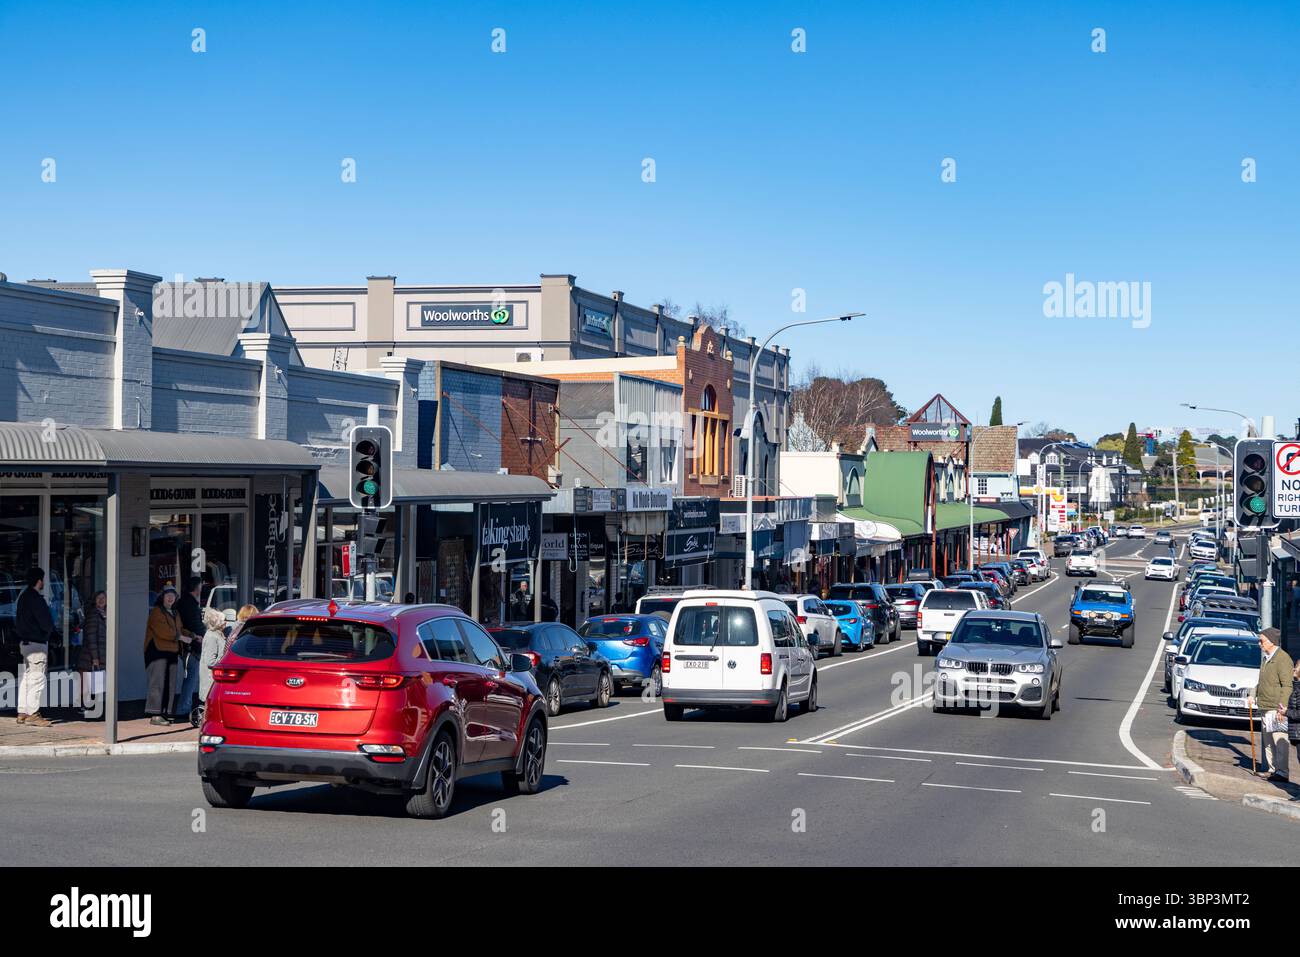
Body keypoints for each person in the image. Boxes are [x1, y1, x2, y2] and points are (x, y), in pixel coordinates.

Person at [14, 567, 55, 727]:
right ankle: (33, 714)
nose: (44, 582)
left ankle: (22, 712)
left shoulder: (23, 597)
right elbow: (46, 623)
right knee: (37, 678)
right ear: (39, 581)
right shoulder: (35, 599)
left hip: (25, 643)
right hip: (36, 644)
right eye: (43, 579)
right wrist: (50, 631)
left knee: (27, 678)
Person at [1252, 627, 1293, 783]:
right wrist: (1252, 694)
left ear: (1271, 641)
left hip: (1276, 708)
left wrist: (1282, 709)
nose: (1259, 644)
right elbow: (1261, 681)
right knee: (1268, 741)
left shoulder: (1283, 659)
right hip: (1264, 705)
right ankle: (1272, 769)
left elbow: (1287, 685)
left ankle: (1282, 772)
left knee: (1279, 741)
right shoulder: (1266, 657)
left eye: (1261, 640)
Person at [144, 586, 183, 726]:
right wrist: (181, 637)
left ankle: (166, 712)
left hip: (172, 651)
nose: (170, 598)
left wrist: (192, 635)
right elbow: (163, 632)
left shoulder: (175, 613)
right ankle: (155, 714)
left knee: (170, 683)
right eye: (168, 595)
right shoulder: (156, 612)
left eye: (173, 595)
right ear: (162, 597)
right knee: (158, 682)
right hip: (157, 651)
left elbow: (179, 629)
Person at [173, 576, 204, 720]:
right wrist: (200, 639)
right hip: (191, 646)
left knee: (190, 677)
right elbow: (195, 625)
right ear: (197, 588)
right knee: (191, 678)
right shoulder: (190, 605)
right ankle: (183, 709)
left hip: (187, 645)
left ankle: (185, 707)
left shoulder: (182, 602)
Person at [78, 591, 107, 720]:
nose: (101, 600)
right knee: (88, 683)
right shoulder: (93, 615)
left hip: (100, 655)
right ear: (94, 600)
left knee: (96, 683)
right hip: (90, 657)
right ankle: (85, 708)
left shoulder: (106, 615)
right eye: (99, 598)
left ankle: (94, 709)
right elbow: (91, 637)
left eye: (104, 598)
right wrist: (95, 658)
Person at [198, 607, 231, 705]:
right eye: (223, 620)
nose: (225, 622)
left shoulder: (218, 634)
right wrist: (224, 658)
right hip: (210, 678)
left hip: (215, 678)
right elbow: (210, 661)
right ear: (217, 623)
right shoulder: (211, 636)